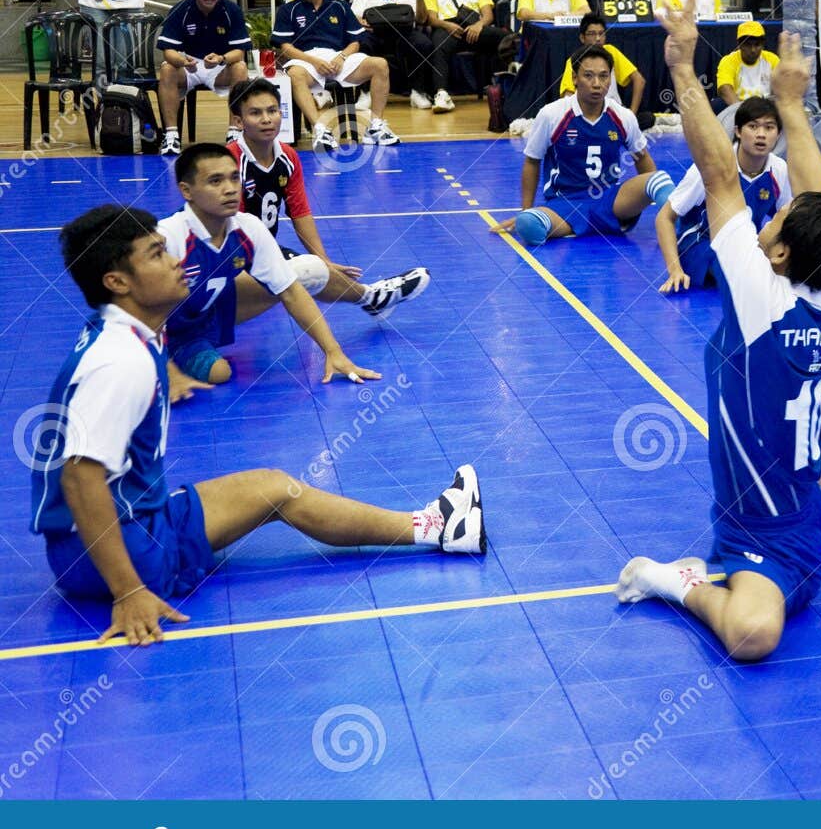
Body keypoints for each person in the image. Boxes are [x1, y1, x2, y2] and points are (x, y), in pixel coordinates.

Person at [31, 204, 484, 644]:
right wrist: (129, 591)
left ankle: (436, 526)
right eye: (155, 254)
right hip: (118, 549)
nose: (174, 260)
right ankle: (441, 528)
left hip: (108, 535)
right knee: (275, 490)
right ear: (117, 282)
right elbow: (80, 477)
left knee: (268, 487)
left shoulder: (124, 329)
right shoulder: (119, 361)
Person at [615, 13, 821, 663]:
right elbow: (819, 195)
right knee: (757, 634)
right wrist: (790, 103)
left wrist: (682, 69)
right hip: (756, 530)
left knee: (760, 629)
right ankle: (677, 577)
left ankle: (690, 580)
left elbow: (719, 176)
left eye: (778, 216)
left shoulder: (761, 304)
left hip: (798, 525)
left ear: (781, 254)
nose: (774, 209)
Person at [157, 144, 386, 393]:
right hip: (160, 328)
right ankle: (158, 359)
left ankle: (371, 297)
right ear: (186, 191)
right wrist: (167, 371)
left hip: (203, 318)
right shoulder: (169, 237)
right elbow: (138, 309)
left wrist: (334, 351)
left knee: (309, 271)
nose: (230, 189)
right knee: (214, 372)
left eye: (235, 177)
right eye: (215, 181)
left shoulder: (248, 227)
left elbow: (291, 292)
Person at [225, 78, 431, 318]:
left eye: (272, 110)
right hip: (229, 255)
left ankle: (372, 298)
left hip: (262, 249)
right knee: (300, 277)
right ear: (238, 121)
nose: (267, 119)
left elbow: (299, 211)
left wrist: (323, 261)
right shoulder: (230, 162)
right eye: (255, 113)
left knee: (313, 270)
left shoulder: (287, 156)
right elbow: (230, 232)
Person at [492, 45, 674, 246]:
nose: (597, 84)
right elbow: (532, 162)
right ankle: (575, 226)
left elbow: (643, 158)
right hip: (564, 204)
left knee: (660, 180)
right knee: (527, 224)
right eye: (588, 76)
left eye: (604, 76)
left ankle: (677, 227)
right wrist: (525, 210)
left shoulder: (623, 116)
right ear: (575, 78)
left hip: (611, 202)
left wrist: (647, 197)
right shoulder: (552, 114)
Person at [658, 97, 792, 292]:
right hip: (700, 244)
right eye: (753, 127)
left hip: (746, 247)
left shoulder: (779, 169)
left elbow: (788, 219)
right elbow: (664, 217)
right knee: (742, 272)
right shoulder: (710, 166)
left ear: (778, 134)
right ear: (738, 131)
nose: (761, 134)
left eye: (769, 128)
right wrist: (675, 270)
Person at [274, 0, 396, 149]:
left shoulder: (339, 6)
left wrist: (342, 57)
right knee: (294, 74)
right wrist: (314, 62)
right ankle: (321, 130)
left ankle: (375, 127)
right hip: (305, 60)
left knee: (379, 64)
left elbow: (355, 41)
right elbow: (286, 48)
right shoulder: (288, 10)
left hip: (339, 57)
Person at [155, 0, 251, 155]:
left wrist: (222, 58)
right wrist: (183, 62)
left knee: (240, 67)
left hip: (218, 66)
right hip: (188, 65)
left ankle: (234, 131)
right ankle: (172, 135)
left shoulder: (231, 10)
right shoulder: (180, 10)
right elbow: (168, 51)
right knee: (166, 69)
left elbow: (239, 52)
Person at [351, 0, 443, 111]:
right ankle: (365, 93)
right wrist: (361, 21)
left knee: (423, 43)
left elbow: (421, 19)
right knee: (361, 43)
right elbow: (354, 16)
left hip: (405, 34)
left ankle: (417, 92)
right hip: (374, 33)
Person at [423, 0, 511, 109]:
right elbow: (432, 19)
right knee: (437, 44)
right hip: (447, 28)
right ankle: (442, 94)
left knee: (506, 38)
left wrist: (479, 25)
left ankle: (508, 86)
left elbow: (488, 15)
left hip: (475, 28)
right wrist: (447, 25)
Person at [557, 12, 645, 113]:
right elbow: (567, 96)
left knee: (647, 118)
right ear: (582, 38)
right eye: (592, 34)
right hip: (587, 112)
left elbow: (639, 80)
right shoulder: (574, 60)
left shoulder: (611, 51)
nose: (598, 38)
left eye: (601, 33)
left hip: (614, 112)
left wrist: (632, 114)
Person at [717, 21, 779, 110]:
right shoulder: (728, 61)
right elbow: (724, 89)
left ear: (763, 45)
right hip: (738, 109)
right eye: (748, 45)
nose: (753, 50)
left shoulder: (773, 59)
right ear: (739, 45)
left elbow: (780, 91)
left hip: (767, 109)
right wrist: (743, 113)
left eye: (757, 45)